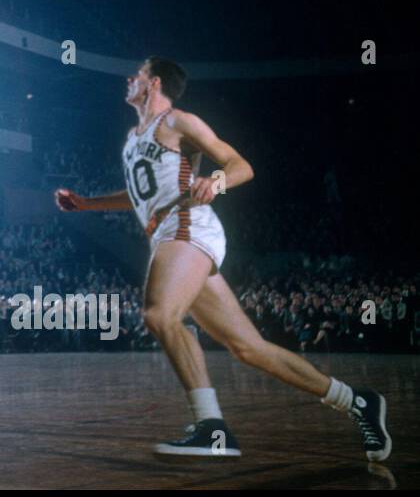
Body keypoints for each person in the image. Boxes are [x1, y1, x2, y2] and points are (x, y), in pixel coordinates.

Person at [54, 56, 390, 460]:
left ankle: (212, 428)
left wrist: (215, 181)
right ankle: (358, 402)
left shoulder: (179, 122)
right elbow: (141, 196)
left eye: (138, 73)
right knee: (248, 348)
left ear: (154, 82)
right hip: (166, 230)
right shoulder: (132, 137)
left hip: (187, 224)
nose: (129, 79)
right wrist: (87, 204)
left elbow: (240, 166)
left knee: (159, 316)